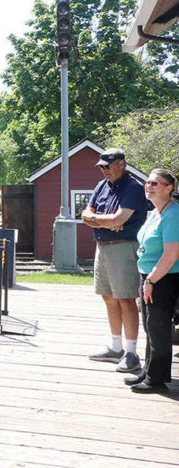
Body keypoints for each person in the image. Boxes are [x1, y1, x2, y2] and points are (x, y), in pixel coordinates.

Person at [81, 148, 149, 374]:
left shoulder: (134, 188)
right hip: (103, 248)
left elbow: (119, 219)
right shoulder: (102, 186)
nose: (103, 170)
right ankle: (116, 348)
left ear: (122, 164)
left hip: (124, 248)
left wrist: (98, 219)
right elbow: (85, 213)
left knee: (126, 300)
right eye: (101, 166)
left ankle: (131, 354)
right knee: (108, 297)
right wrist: (102, 220)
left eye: (107, 166)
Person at [126, 169, 179, 393]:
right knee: (150, 326)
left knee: (158, 327)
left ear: (169, 188)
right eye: (147, 182)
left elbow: (171, 255)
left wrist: (151, 281)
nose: (149, 186)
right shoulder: (155, 212)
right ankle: (149, 370)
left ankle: (157, 379)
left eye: (155, 183)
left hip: (164, 278)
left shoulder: (174, 214)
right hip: (149, 276)